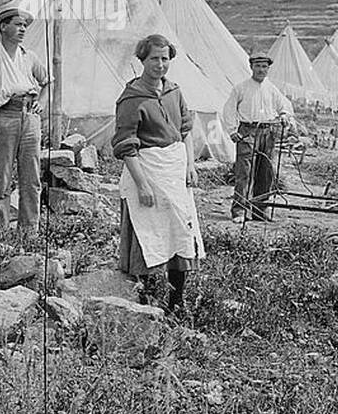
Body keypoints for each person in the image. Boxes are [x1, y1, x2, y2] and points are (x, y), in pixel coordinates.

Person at [111, 34, 205, 313]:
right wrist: (142, 184)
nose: (160, 64)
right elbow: (127, 146)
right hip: (147, 171)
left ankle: (177, 302)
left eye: (165, 59)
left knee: (179, 234)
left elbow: (185, 131)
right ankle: (146, 304)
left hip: (174, 173)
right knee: (149, 236)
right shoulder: (131, 98)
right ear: (142, 59)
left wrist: (190, 165)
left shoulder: (174, 91)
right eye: (154, 58)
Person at [0, 2, 51, 236]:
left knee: (31, 179)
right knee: (1, 179)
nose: (23, 29)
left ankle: (29, 233)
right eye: (17, 25)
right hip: (4, 117)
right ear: (3, 27)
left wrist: (41, 103)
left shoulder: (30, 58)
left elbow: (48, 82)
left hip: (30, 118)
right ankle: (0, 234)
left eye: (25, 25)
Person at [221, 50, 294, 224]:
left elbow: (284, 105)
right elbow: (229, 109)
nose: (261, 70)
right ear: (251, 67)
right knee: (244, 173)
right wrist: (232, 131)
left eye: (264, 66)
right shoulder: (241, 87)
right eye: (258, 66)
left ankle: (259, 211)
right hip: (248, 132)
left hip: (268, 133)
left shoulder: (272, 88)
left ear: (268, 69)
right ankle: (239, 211)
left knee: (265, 173)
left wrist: (284, 115)